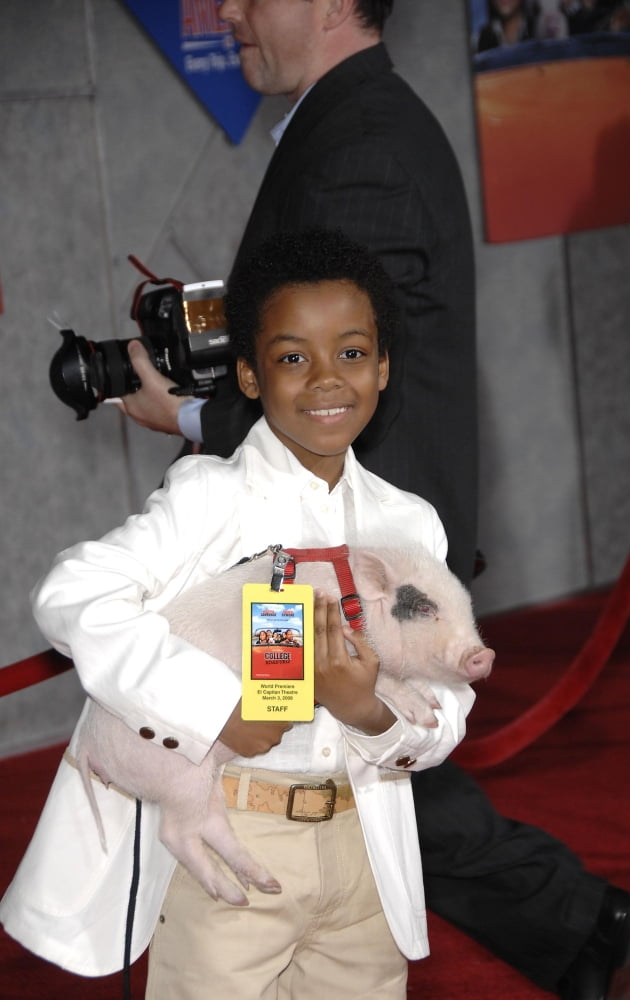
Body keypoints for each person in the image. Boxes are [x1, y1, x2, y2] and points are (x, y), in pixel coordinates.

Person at [111, 1, 630, 996]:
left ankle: (577, 922)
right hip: (339, 546)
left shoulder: (361, 143)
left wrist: (188, 417)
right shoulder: (355, 126)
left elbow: (331, 389)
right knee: (334, 753)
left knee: (307, 758)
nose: (227, 9)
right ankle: (579, 925)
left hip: (340, 551)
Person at [0, 228, 476, 998]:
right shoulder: (211, 498)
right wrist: (215, 707)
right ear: (249, 375)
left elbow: (448, 709)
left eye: (352, 352)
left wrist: (370, 712)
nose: (327, 379)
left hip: (364, 847)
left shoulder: (409, 523)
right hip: (229, 837)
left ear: (384, 365)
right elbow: (72, 592)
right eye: (292, 358)